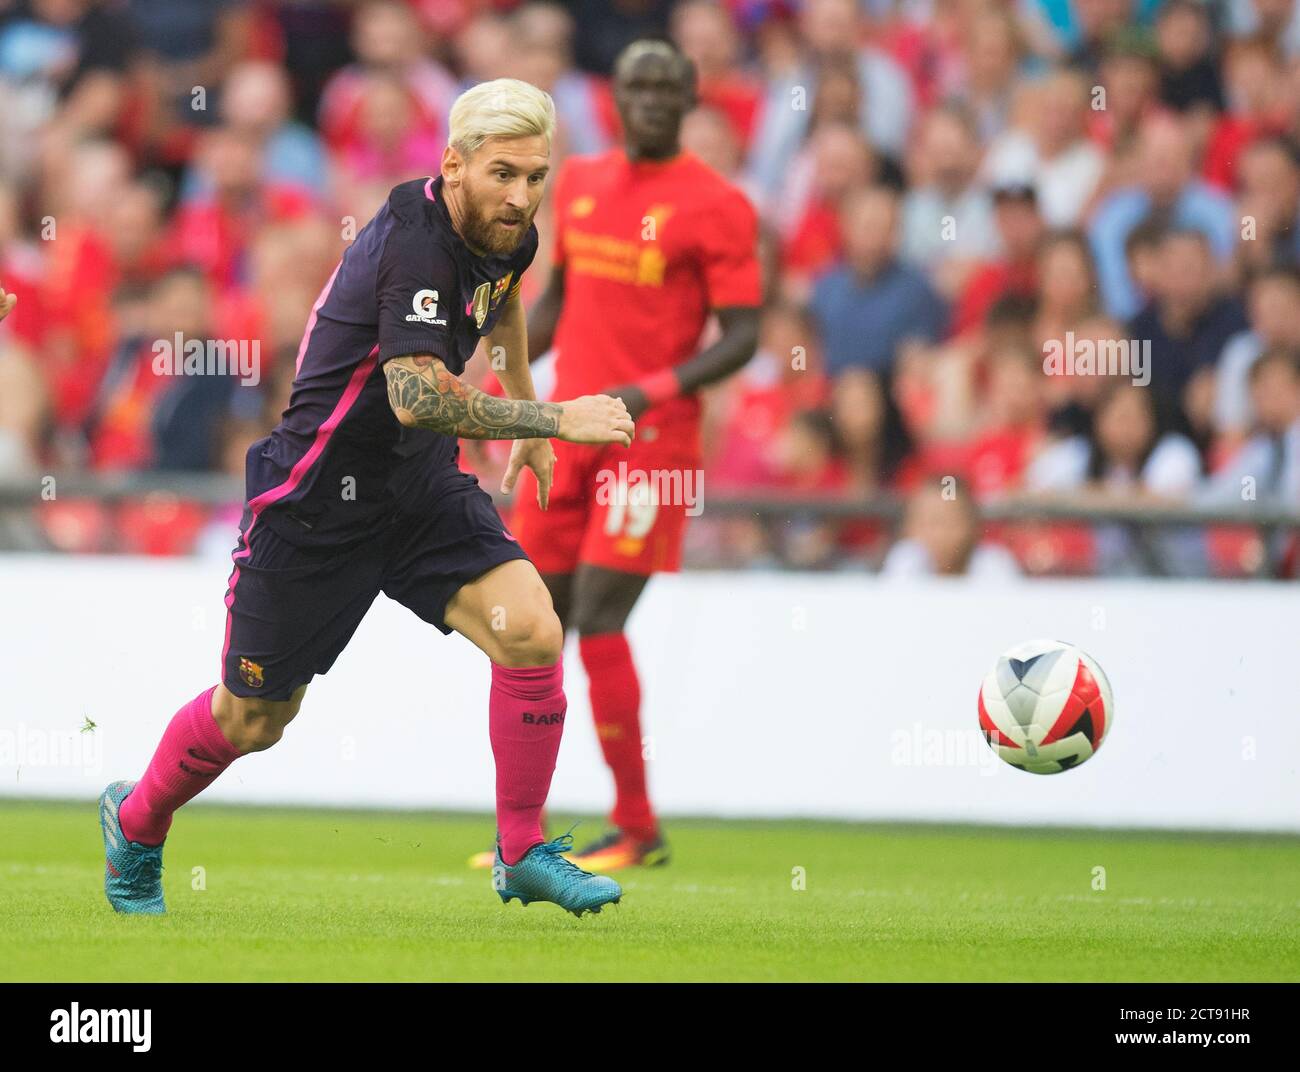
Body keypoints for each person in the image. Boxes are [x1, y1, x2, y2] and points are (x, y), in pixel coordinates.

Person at [95, 78, 637, 918]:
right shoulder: (414, 242)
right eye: (504, 174)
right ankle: (136, 822)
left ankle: (521, 849)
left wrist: (523, 399)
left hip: (416, 486)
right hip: (314, 501)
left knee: (530, 630)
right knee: (253, 720)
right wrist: (555, 416)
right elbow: (415, 394)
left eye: (537, 176)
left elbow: (503, 298)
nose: (523, 196)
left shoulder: (508, 229)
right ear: (452, 164)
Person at [495, 39, 761, 872]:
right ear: (613, 97)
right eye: (635, 85)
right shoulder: (578, 184)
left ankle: (638, 827)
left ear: (687, 99)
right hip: (568, 428)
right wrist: (508, 382)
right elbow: (562, 298)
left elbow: (746, 336)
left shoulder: (717, 205)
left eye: (666, 87)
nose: (648, 99)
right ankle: (521, 836)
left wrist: (651, 390)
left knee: (602, 616)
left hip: (651, 444)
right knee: (534, 626)